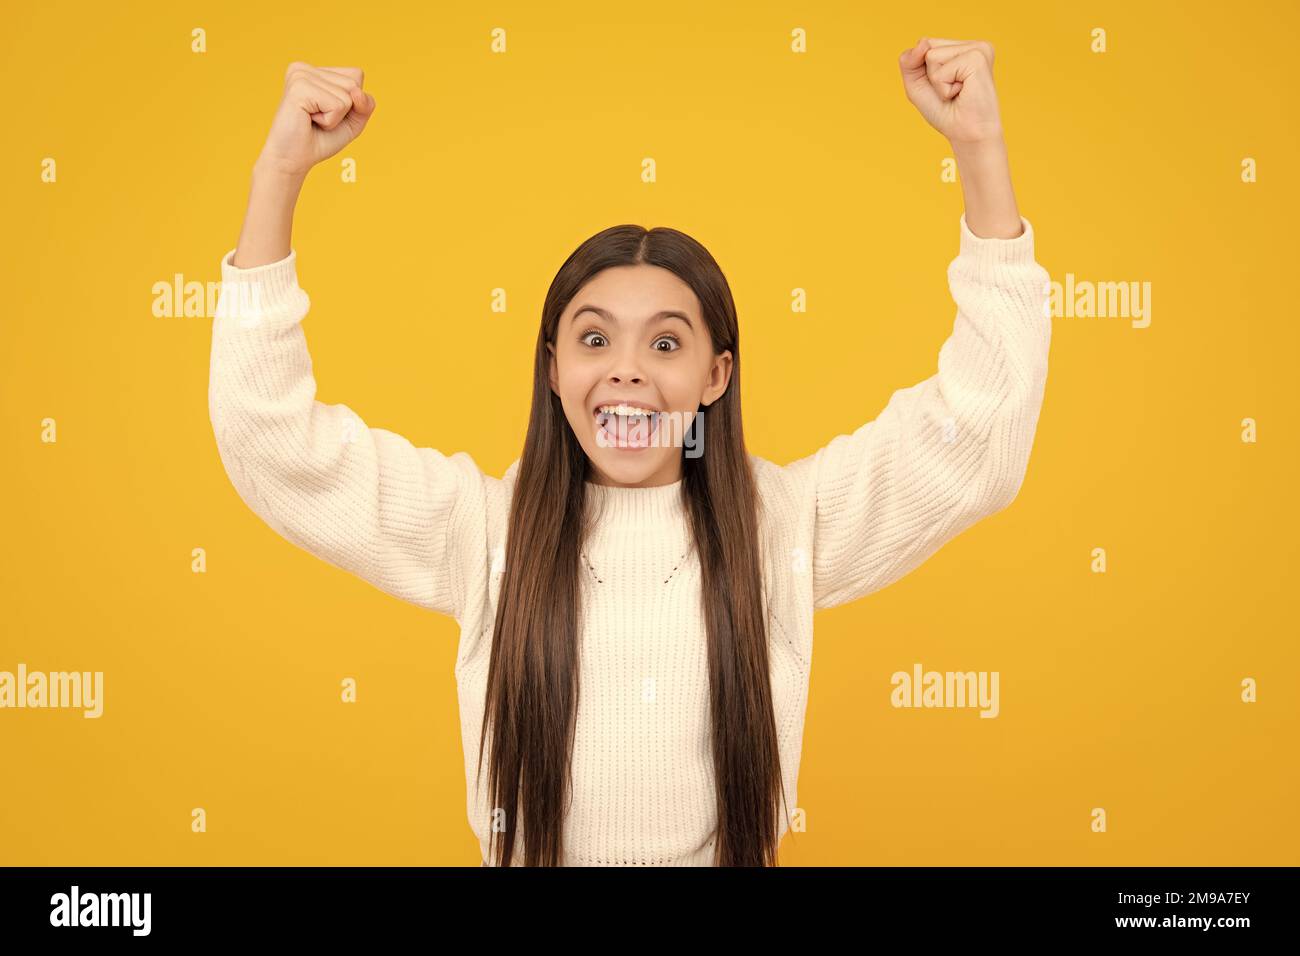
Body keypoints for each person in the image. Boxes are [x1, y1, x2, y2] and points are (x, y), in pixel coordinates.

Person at [208, 38, 1051, 867]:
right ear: (554, 369)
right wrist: (278, 176)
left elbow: (978, 433)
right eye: (595, 338)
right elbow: (271, 438)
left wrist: (979, 152)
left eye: (666, 345)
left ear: (716, 375)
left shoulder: (782, 525)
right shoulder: (482, 530)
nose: (626, 373)